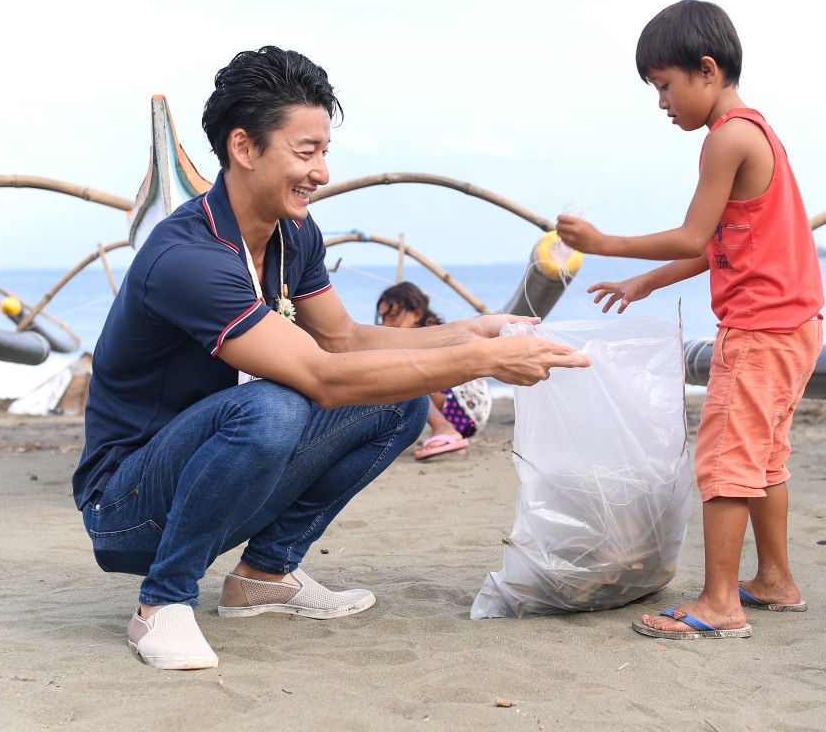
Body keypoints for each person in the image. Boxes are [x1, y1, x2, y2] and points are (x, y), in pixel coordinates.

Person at [74, 46, 589, 671]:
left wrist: (471, 333)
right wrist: (483, 363)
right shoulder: (188, 256)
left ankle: (264, 575)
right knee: (274, 406)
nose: (321, 171)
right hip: (124, 507)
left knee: (397, 398)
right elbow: (324, 375)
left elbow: (346, 339)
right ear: (244, 147)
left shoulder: (293, 235)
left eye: (324, 151)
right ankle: (161, 603)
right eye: (305, 151)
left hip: (208, 476)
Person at [556, 0, 825, 640]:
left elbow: (689, 234)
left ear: (706, 70)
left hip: (760, 330)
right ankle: (777, 581)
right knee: (763, 458)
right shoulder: (755, 131)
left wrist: (602, 243)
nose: (662, 103)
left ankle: (720, 604)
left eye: (665, 86)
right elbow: (718, 246)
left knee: (727, 457)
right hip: (795, 325)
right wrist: (643, 282)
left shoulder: (728, 136)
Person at [375, 282, 492, 459]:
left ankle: (443, 428)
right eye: (383, 318)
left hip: (462, 406)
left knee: (401, 375)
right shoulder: (433, 331)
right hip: (469, 411)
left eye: (392, 316)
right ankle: (450, 438)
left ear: (416, 313)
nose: (386, 324)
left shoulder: (427, 335)